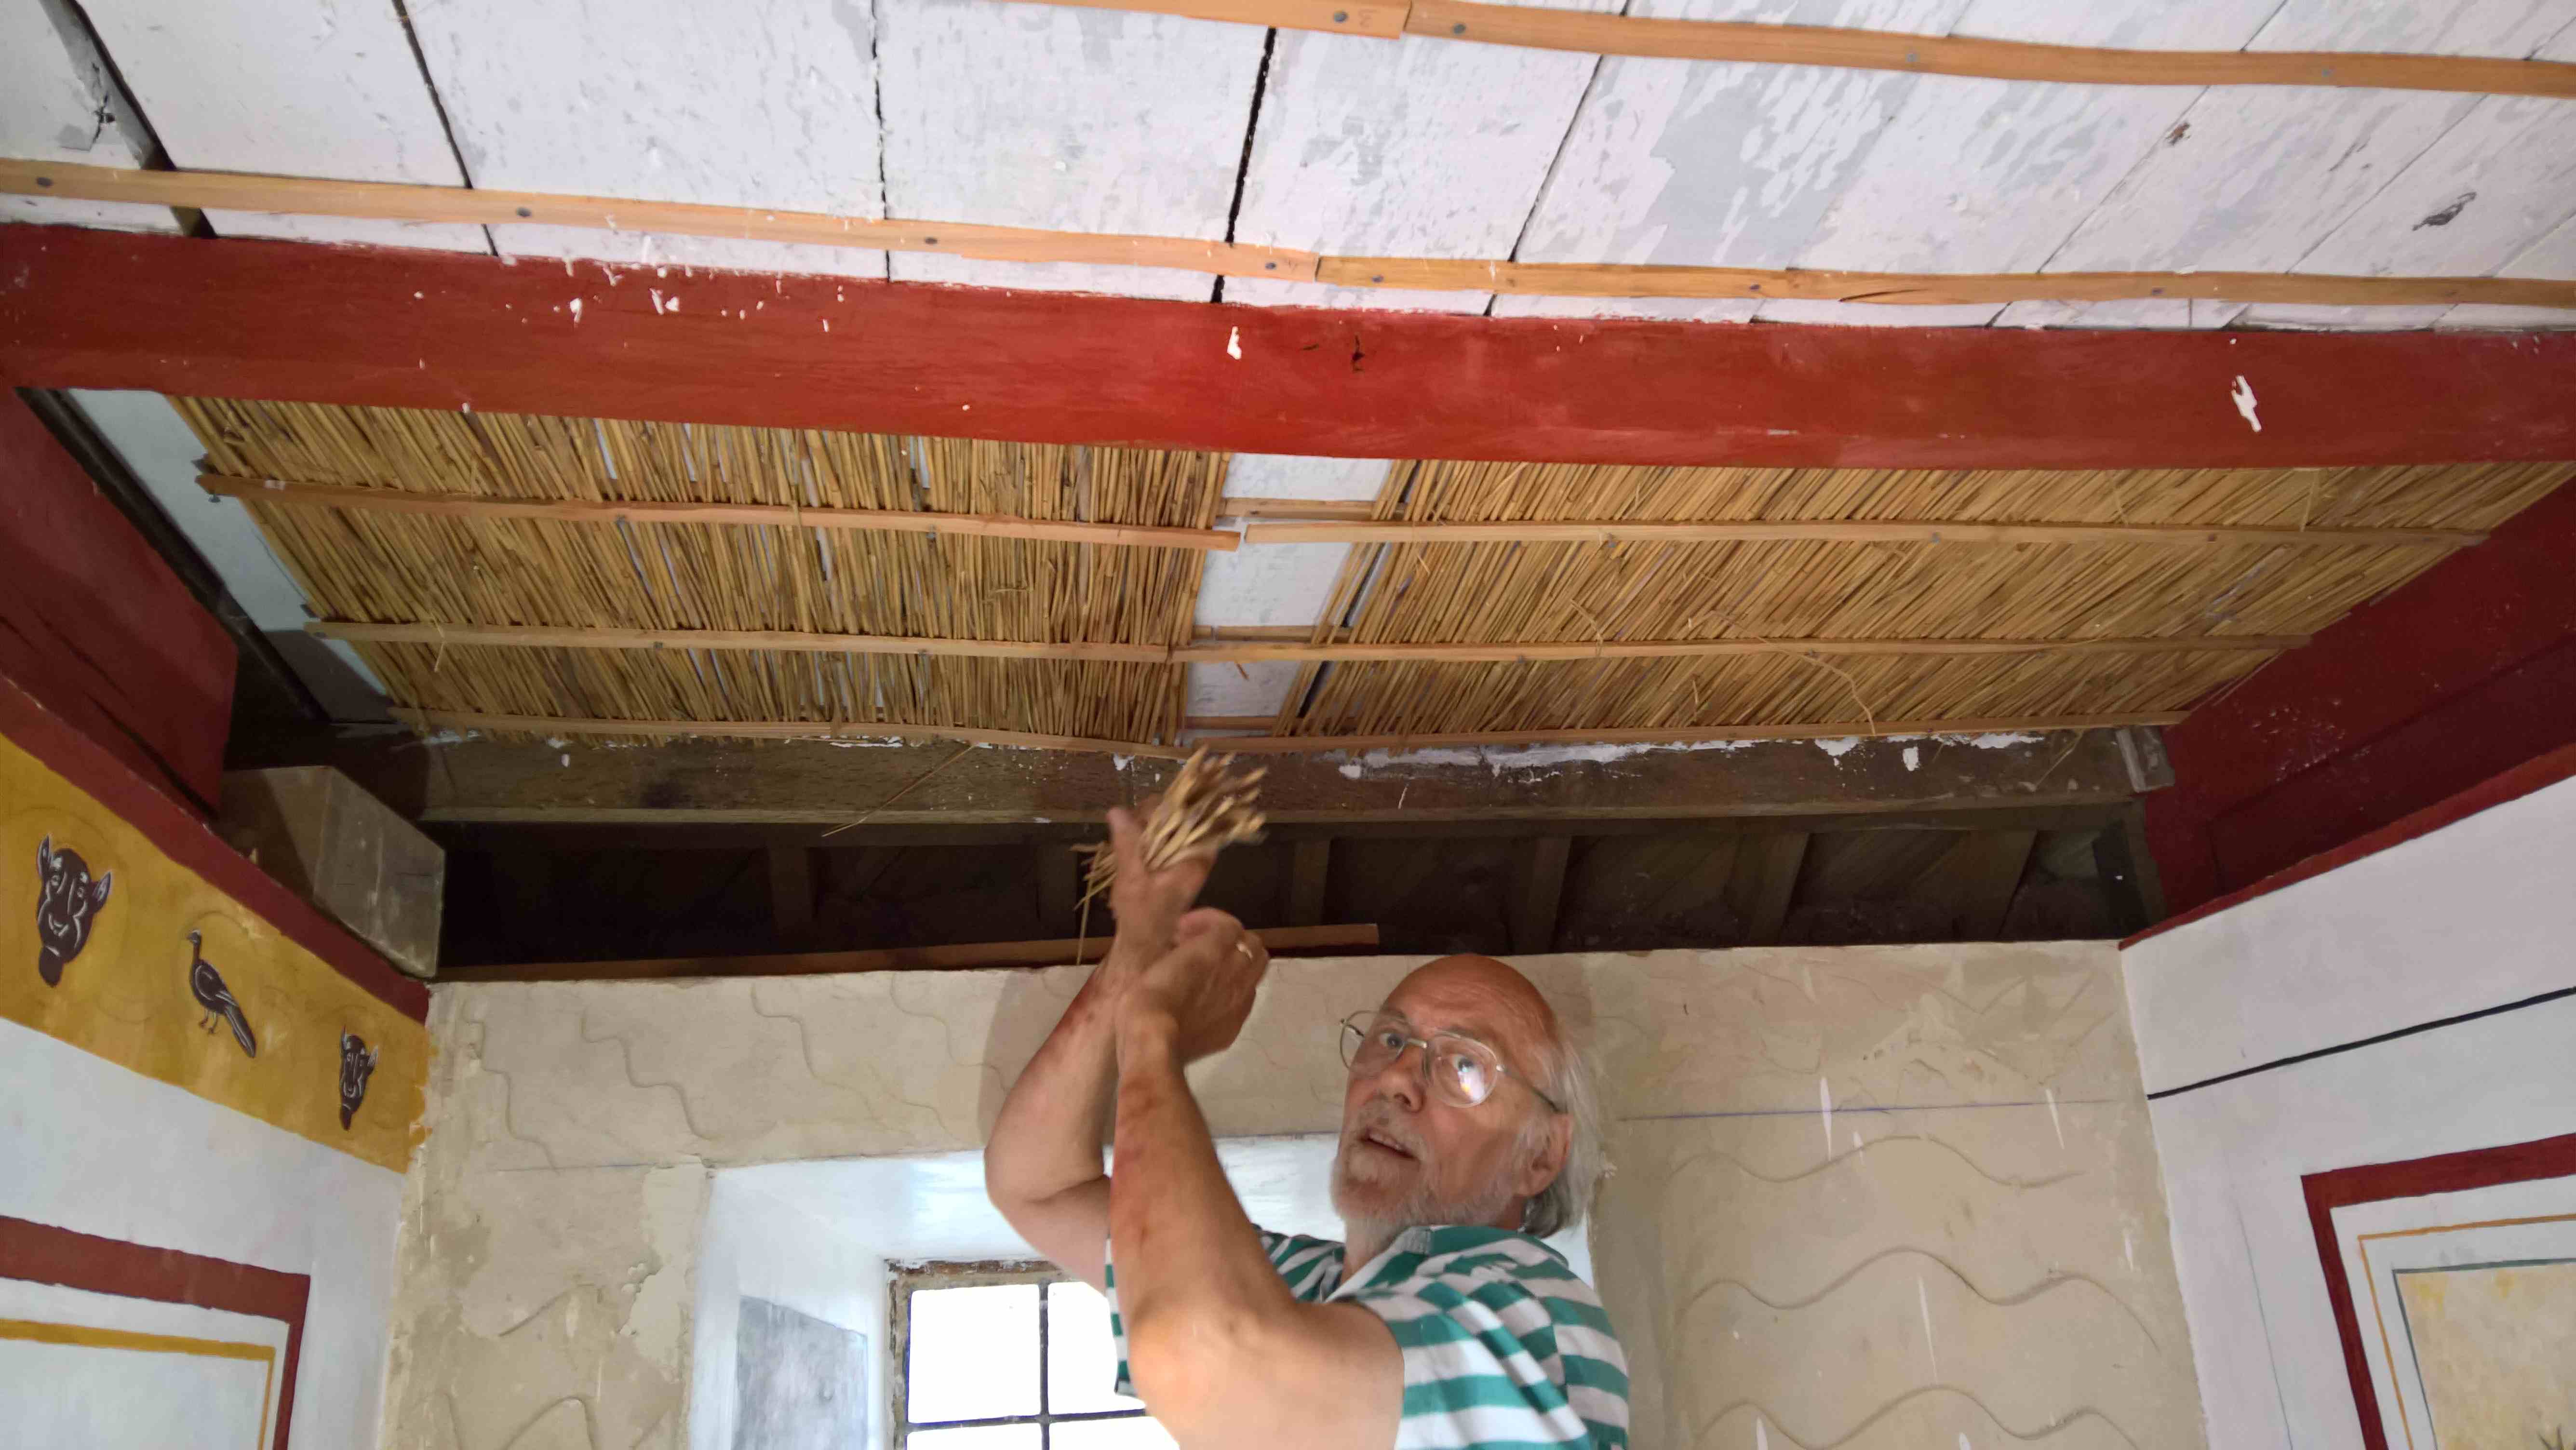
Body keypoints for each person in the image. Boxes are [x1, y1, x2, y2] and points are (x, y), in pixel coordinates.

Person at [985, 801, 1629, 1448]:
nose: (1400, 1079)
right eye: (1392, 1039)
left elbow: (1201, 1357)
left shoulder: (1527, 1311)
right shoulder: (1311, 1287)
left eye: (1464, 1067)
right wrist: (1136, 958)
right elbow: (1037, 1186)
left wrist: (1153, 1036)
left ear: (1541, 1155)